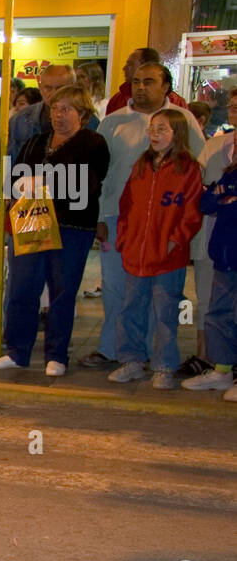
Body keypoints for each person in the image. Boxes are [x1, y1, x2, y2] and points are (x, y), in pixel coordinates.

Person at [81, 63, 206, 369]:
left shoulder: (184, 120)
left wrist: (178, 236)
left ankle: (154, 358)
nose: (140, 87)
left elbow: (198, 171)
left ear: (166, 86)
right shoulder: (113, 122)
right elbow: (98, 174)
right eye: (136, 81)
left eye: (149, 81)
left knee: (159, 299)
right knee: (116, 290)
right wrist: (99, 217)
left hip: (165, 228)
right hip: (118, 221)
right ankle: (115, 351)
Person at [0, 85, 109, 377]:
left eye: (66, 109)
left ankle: (56, 354)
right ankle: (17, 351)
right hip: (32, 223)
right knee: (21, 288)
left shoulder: (93, 143)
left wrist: (39, 184)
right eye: (54, 108)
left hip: (71, 227)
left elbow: (86, 183)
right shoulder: (35, 142)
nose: (58, 114)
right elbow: (16, 175)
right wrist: (23, 186)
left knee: (62, 292)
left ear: (82, 113)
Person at [105, 109, 204, 389]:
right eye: (153, 129)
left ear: (177, 134)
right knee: (130, 309)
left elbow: (192, 213)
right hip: (136, 253)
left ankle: (165, 366)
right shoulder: (141, 165)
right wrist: (125, 237)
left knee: (165, 313)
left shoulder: (188, 169)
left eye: (162, 129)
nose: (155, 135)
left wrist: (174, 241)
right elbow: (127, 205)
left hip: (168, 258)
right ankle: (133, 360)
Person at [182, 159, 237, 400]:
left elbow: (220, 202)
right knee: (218, 314)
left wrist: (225, 201)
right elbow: (206, 203)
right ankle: (222, 371)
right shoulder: (231, 175)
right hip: (224, 258)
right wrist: (224, 199)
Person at [104, 48, 188, 115]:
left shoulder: (175, 101)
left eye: (130, 64)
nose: (124, 68)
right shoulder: (117, 100)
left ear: (146, 66)